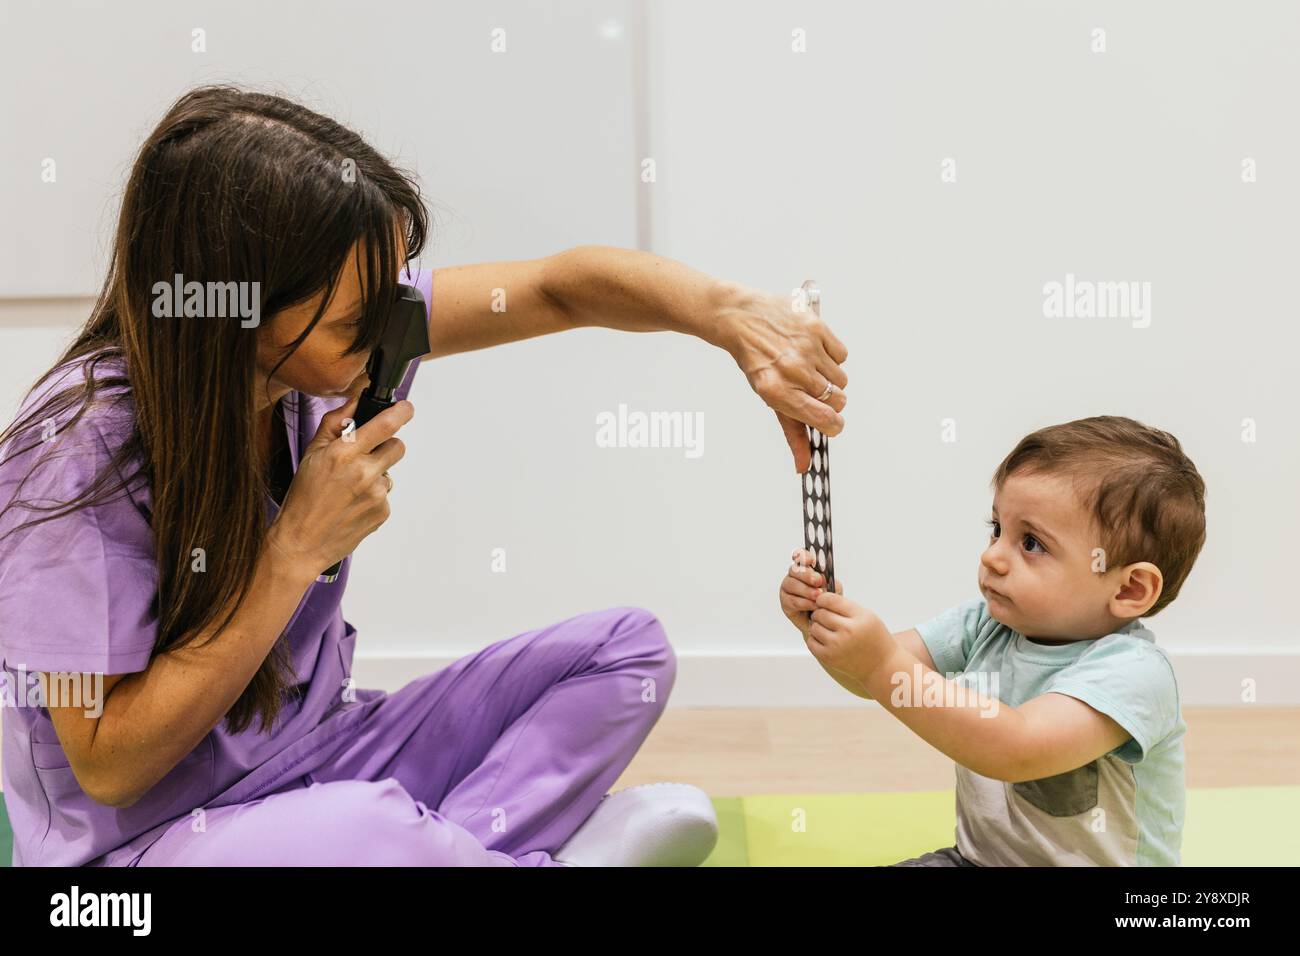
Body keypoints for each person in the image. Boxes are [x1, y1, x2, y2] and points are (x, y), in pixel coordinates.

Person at [0, 85, 849, 866]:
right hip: (134, 860)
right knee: (366, 829)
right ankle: (493, 847)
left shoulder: (336, 348)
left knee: (624, 655)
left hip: (324, 757)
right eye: (359, 313)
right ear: (238, 304)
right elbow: (109, 766)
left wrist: (728, 316)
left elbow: (559, 288)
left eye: (395, 291)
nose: (396, 324)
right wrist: (294, 549)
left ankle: (456, 852)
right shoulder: (72, 455)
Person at [779, 416, 1204, 865]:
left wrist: (878, 661)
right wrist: (824, 629)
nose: (991, 556)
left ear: (1129, 589)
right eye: (997, 528)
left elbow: (1016, 748)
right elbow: (869, 681)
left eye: (1032, 544)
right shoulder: (986, 622)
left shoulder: (1134, 672)